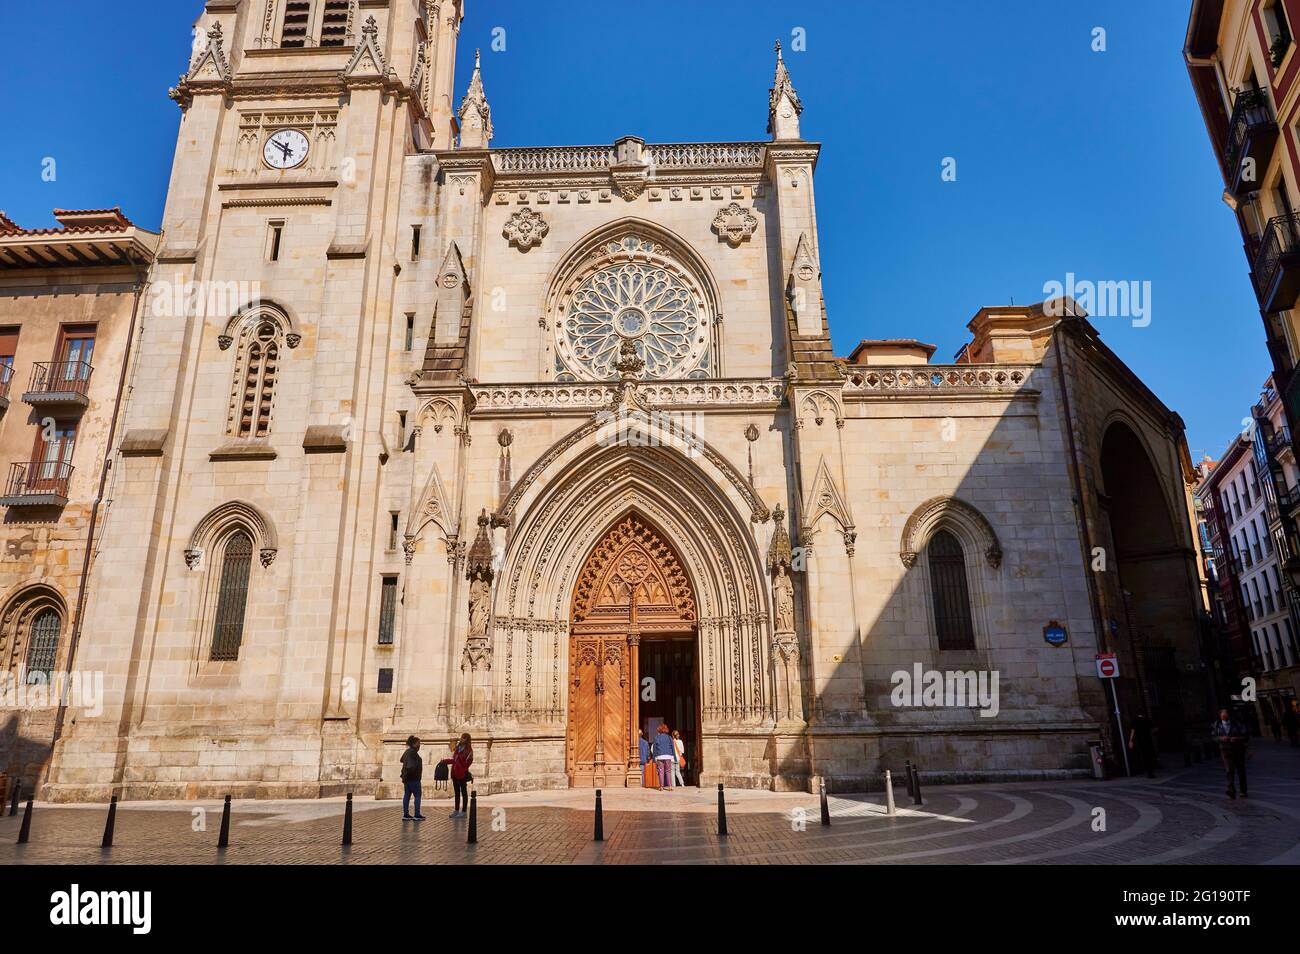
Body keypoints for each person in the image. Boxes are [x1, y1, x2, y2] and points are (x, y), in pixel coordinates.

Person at [1210, 708, 1249, 799]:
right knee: (1229, 770)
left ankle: (1243, 791)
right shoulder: (1217, 725)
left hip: (1238, 749)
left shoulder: (1237, 724)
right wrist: (1221, 739)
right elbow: (1214, 737)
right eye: (1223, 715)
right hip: (1225, 750)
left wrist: (1237, 739)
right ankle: (1231, 790)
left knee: (1240, 770)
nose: (1224, 717)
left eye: (1226, 715)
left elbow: (1246, 736)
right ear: (1220, 716)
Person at [441, 733, 474, 818]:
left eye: (464, 738)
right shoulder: (458, 748)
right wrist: (445, 761)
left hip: (462, 773)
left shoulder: (469, 750)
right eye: (462, 737)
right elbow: (454, 760)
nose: (462, 739)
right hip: (454, 773)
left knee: (464, 792)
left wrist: (463, 768)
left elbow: (469, 761)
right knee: (456, 793)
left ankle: (464, 812)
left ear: (467, 740)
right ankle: (456, 810)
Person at [400, 735, 425, 820]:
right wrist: (414, 769)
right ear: (414, 744)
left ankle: (406, 814)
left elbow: (402, 759)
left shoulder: (407, 752)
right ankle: (417, 815)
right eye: (418, 743)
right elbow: (411, 766)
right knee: (417, 795)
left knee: (407, 795)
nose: (419, 745)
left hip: (407, 778)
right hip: (413, 778)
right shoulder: (412, 753)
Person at [1127, 713, 1157, 778]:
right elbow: (1154, 729)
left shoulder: (1135, 721)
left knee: (1144, 756)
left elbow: (1132, 731)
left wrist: (1130, 740)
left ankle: (1147, 771)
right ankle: (1151, 771)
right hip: (1148, 741)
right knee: (1150, 756)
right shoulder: (1147, 720)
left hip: (1140, 741)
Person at [653, 724, 676, 790]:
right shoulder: (669, 737)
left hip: (660, 756)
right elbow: (672, 747)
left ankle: (661, 787)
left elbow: (655, 749)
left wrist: (654, 758)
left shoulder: (656, 738)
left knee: (660, 771)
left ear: (659, 730)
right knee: (668, 771)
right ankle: (670, 786)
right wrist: (674, 757)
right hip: (668, 755)